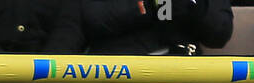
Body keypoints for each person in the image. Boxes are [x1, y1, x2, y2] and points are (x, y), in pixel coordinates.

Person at [83, 0, 233, 54]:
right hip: (123, 72)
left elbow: (220, 32)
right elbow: (92, 18)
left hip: (184, 73)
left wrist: (192, 5)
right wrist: (157, 5)